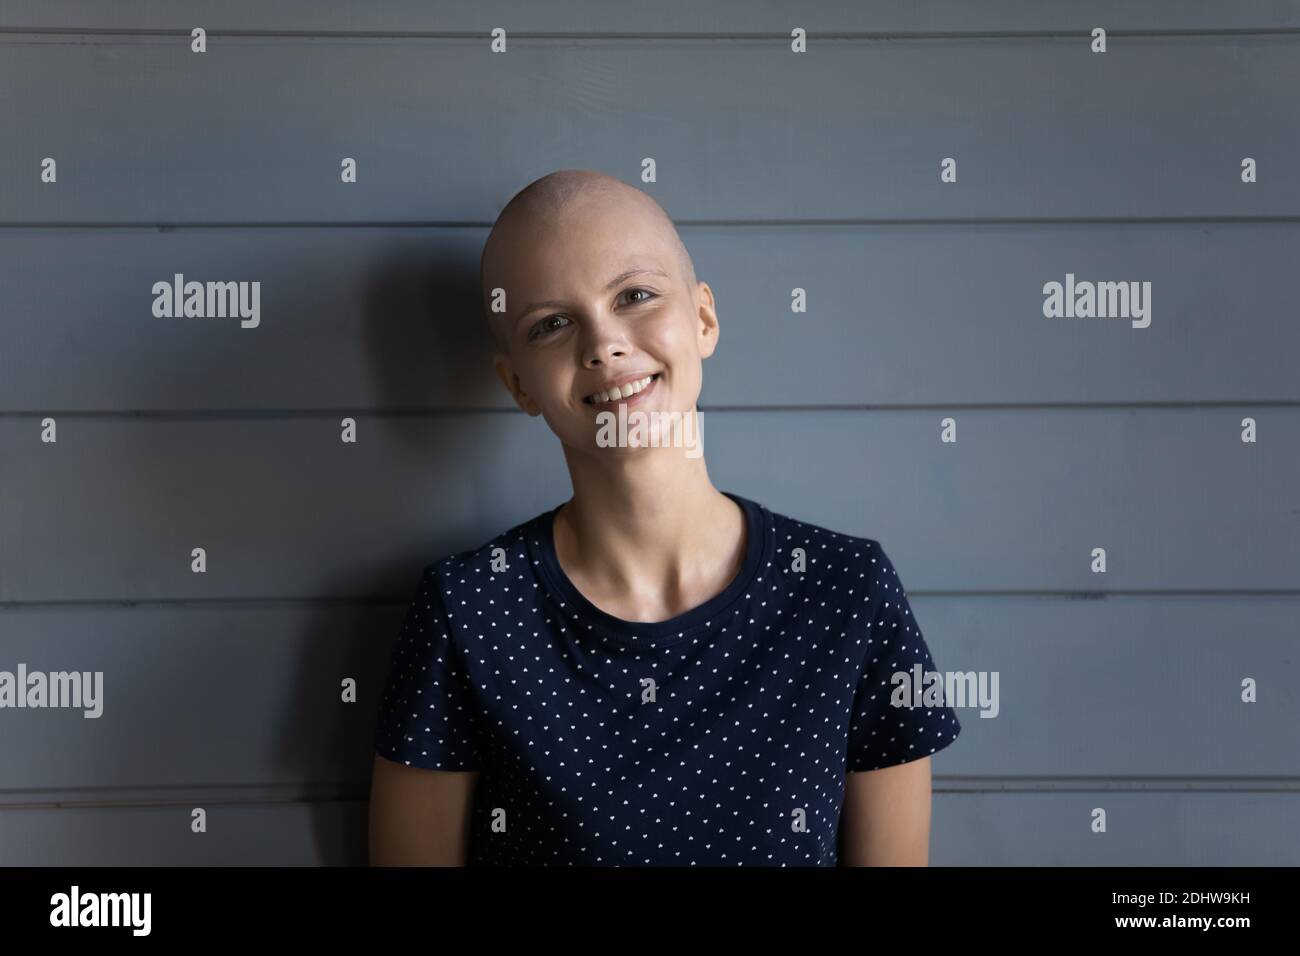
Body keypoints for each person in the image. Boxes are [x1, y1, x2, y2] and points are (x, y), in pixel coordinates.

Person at [368, 169, 961, 866]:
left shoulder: (848, 594)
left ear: (704, 318)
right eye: (552, 324)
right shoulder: (469, 611)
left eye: (635, 296)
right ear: (520, 384)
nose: (604, 344)